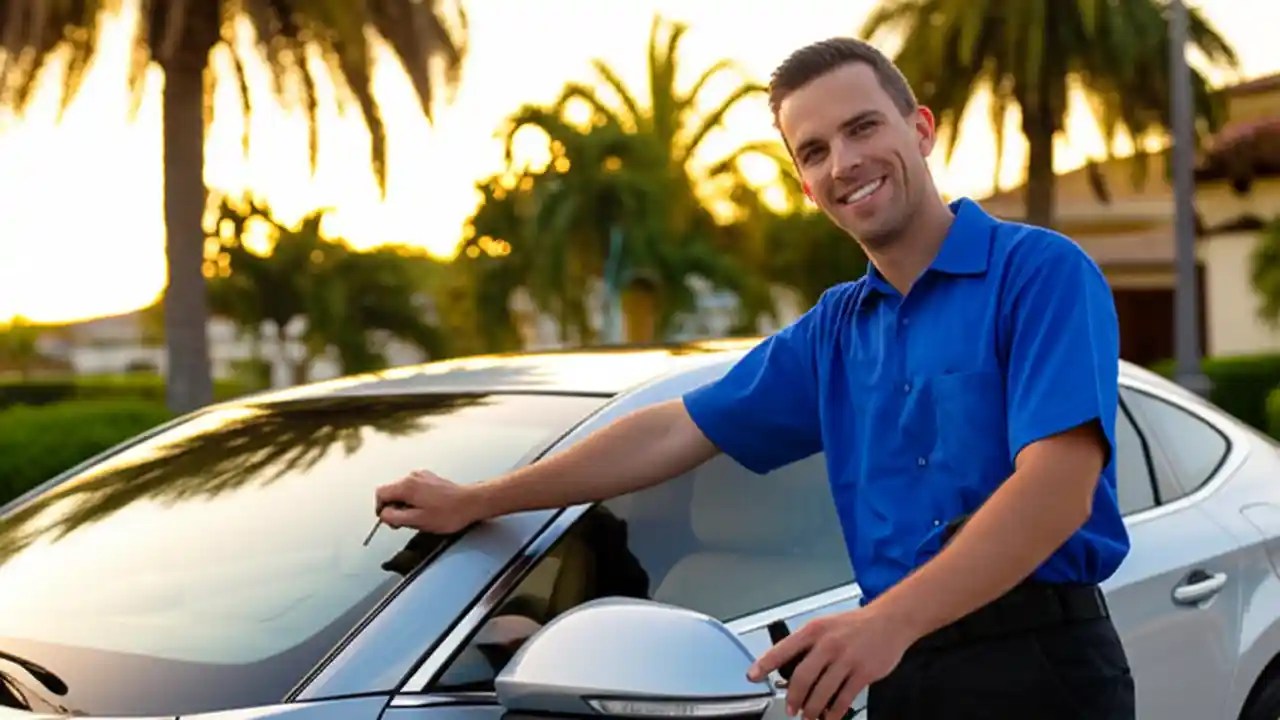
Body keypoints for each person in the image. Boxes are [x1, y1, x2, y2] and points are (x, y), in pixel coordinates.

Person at [374, 36, 1135, 720]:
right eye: (814, 151)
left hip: (1041, 665)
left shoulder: (1039, 273)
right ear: (805, 185)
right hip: (900, 672)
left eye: (863, 127)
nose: (844, 163)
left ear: (921, 129)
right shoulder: (834, 331)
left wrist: (886, 623)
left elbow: (1057, 489)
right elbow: (673, 430)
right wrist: (479, 499)